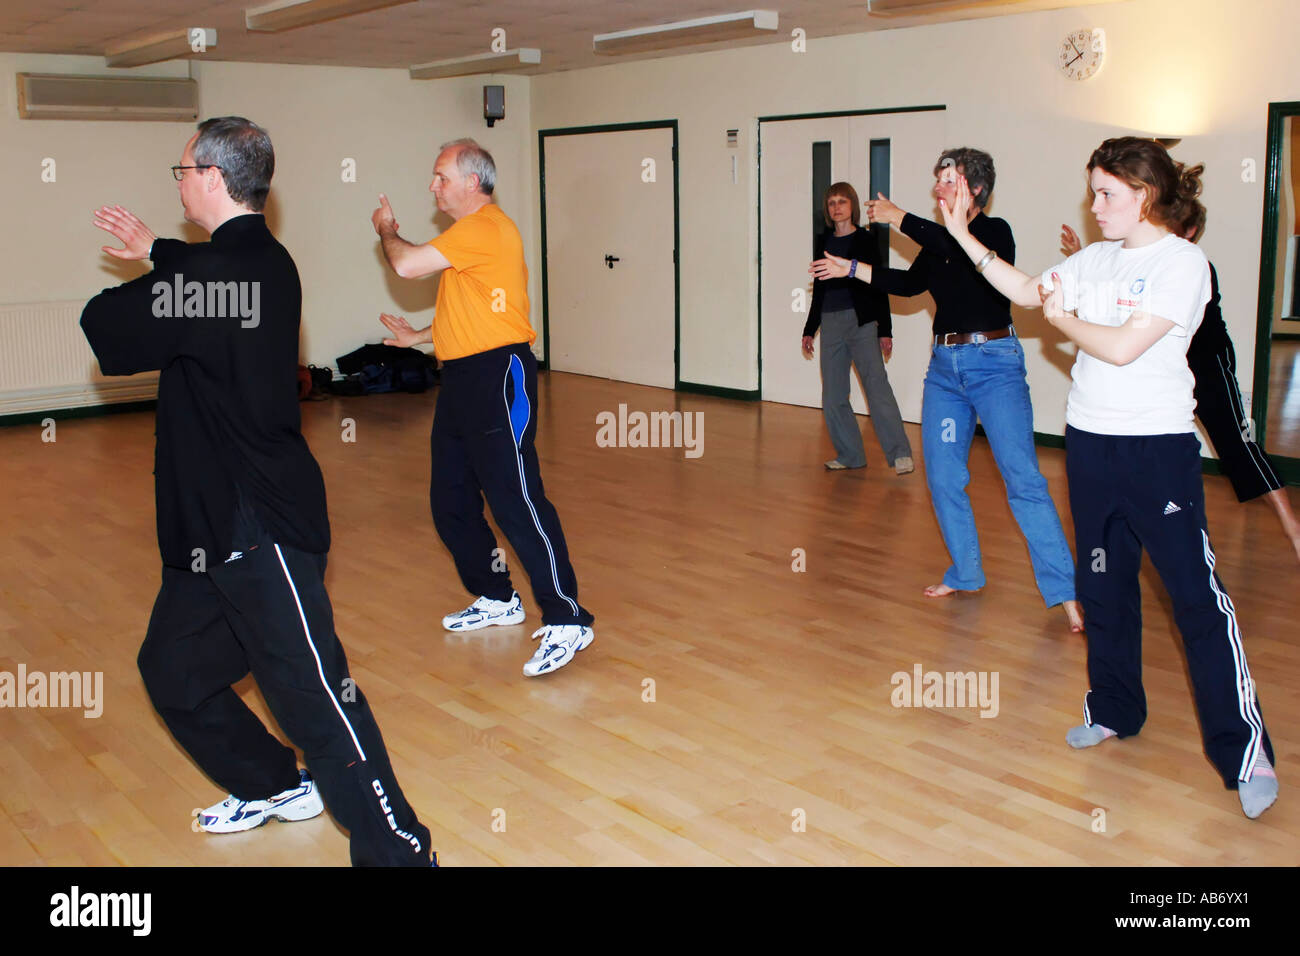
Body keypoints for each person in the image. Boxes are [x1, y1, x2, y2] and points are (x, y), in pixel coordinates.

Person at [81, 117, 435, 863]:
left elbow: (103, 323)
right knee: (174, 673)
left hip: (259, 528)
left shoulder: (212, 279)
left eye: (182, 171)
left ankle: (402, 852)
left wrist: (160, 265)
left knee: (316, 700)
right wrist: (161, 252)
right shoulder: (266, 262)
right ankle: (273, 785)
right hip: (209, 532)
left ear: (212, 177)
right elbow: (209, 276)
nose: (177, 183)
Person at [939, 137, 1277, 819]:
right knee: (1104, 585)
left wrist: (1063, 319)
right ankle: (1115, 709)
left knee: (1195, 599)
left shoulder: (1183, 263)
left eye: (1106, 194)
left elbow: (1123, 347)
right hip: (1090, 447)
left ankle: (1245, 752)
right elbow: (1027, 290)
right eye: (1093, 191)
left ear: (1144, 195)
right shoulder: (1093, 260)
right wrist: (962, 235)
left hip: (1157, 453)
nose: (1093, 206)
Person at [811, 148, 1082, 631]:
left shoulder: (994, 233)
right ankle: (966, 572)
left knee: (1022, 480)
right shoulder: (936, 242)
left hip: (994, 365)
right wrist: (850, 269)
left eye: (948, 180)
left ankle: (1065, 590)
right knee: (942, 477)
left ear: (975, 189)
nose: (938, 188)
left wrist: (899, 217)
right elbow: (908, 285)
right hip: (945, 371)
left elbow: (959, 248)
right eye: (937, 179)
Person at [371, 138, 595, 677]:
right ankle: (496, 596)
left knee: (516, 499)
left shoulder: (485, 227)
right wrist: (421, 338)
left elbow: (405, 265)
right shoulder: (469, 238)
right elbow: (474, 313)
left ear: (473, 182)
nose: (433, 186)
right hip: (462, 379)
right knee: (449, 499)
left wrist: (385, 229)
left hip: (499, 376)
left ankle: (568, 619)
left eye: (441, 176)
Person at [1061, 218, 1300, 564]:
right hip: (1166, 369)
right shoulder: (1153, 262)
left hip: (1208, 365)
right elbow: (1119, 289)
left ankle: (1293, 528)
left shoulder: (1194, 265)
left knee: (1238, 445)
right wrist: (1082, 256)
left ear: (1189, 233)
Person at [802, 182, 913, 474]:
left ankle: (900, 454)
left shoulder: (865, 240)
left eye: (842, 201)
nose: (836, 207)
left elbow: (878, 283)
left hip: (862, 321)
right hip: (830, 322)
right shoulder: (823, 241)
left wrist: (885, 329)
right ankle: (850, 455)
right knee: (833, 395)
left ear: (852, 206)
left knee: (877, 388)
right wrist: (810, 328)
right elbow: (820, 289)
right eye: (831, 203)